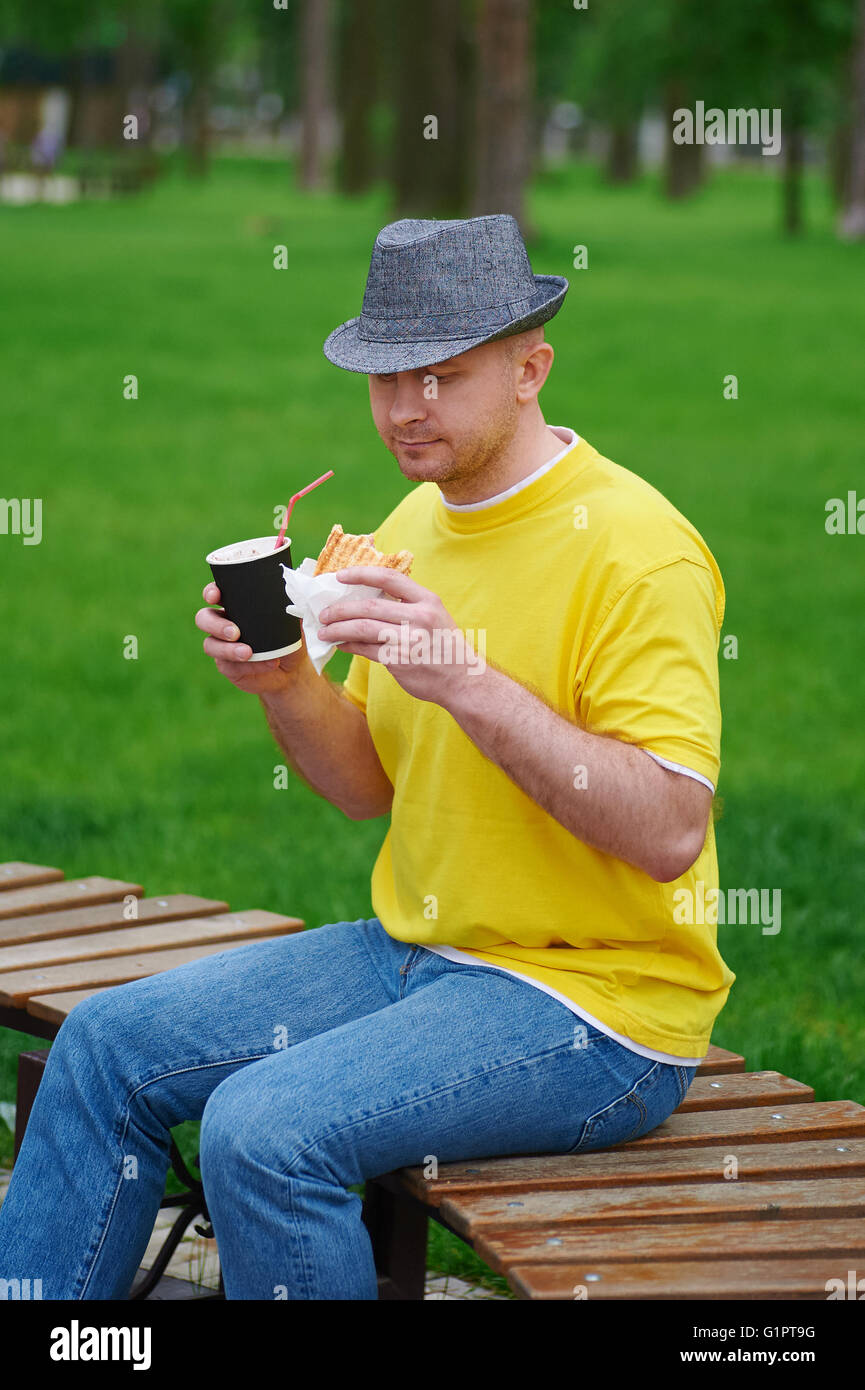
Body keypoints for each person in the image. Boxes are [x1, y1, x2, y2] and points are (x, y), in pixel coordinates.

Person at [0, 215, 734, 1300]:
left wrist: (468, 680)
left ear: (531, 367)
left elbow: (671, 829)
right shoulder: (417, 520)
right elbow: (364, 789)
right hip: (423, 949)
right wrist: (284, 681)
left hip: (596, 1005)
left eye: (440, 376)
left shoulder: (637, 551)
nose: (404, 410)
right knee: (104, 1043)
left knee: (265, 1129)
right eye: (386, 379)